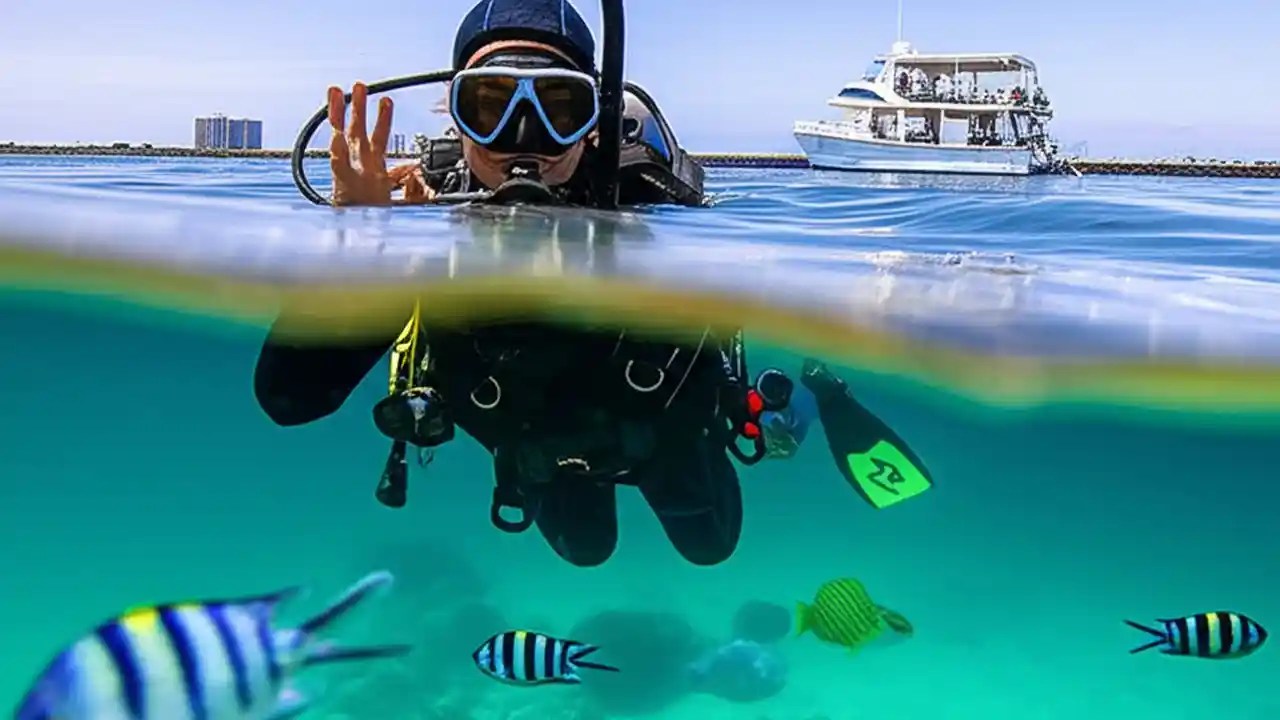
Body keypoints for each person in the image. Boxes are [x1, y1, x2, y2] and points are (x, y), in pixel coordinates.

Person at [254, 0, 932, 568]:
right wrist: (363, 251)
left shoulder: (650, 205)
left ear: (595, 120)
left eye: (559, 105)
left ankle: (815, 397)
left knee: (710, 545)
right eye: (490, 105)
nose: (528, 137)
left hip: (669, 433)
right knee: (586, 551)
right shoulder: (416, 225)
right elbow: (291, 399)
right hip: (536, 450)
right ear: (453, 119)